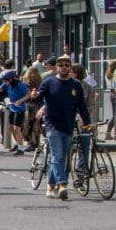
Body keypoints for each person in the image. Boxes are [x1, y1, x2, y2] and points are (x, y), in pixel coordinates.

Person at [30, 55, 91, 201]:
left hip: (68, 125)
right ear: (57, 67)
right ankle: (62, 184)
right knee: (57, 156)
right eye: (61, 65)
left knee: (61, 158)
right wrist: (34, 95)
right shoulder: (49, 82)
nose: (63, 67)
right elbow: (38, 97)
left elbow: (81, 105)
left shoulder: (75, 85)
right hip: (52, 125)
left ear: (70, 68)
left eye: (66, 65)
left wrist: (87, 122)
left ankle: (50, 186)